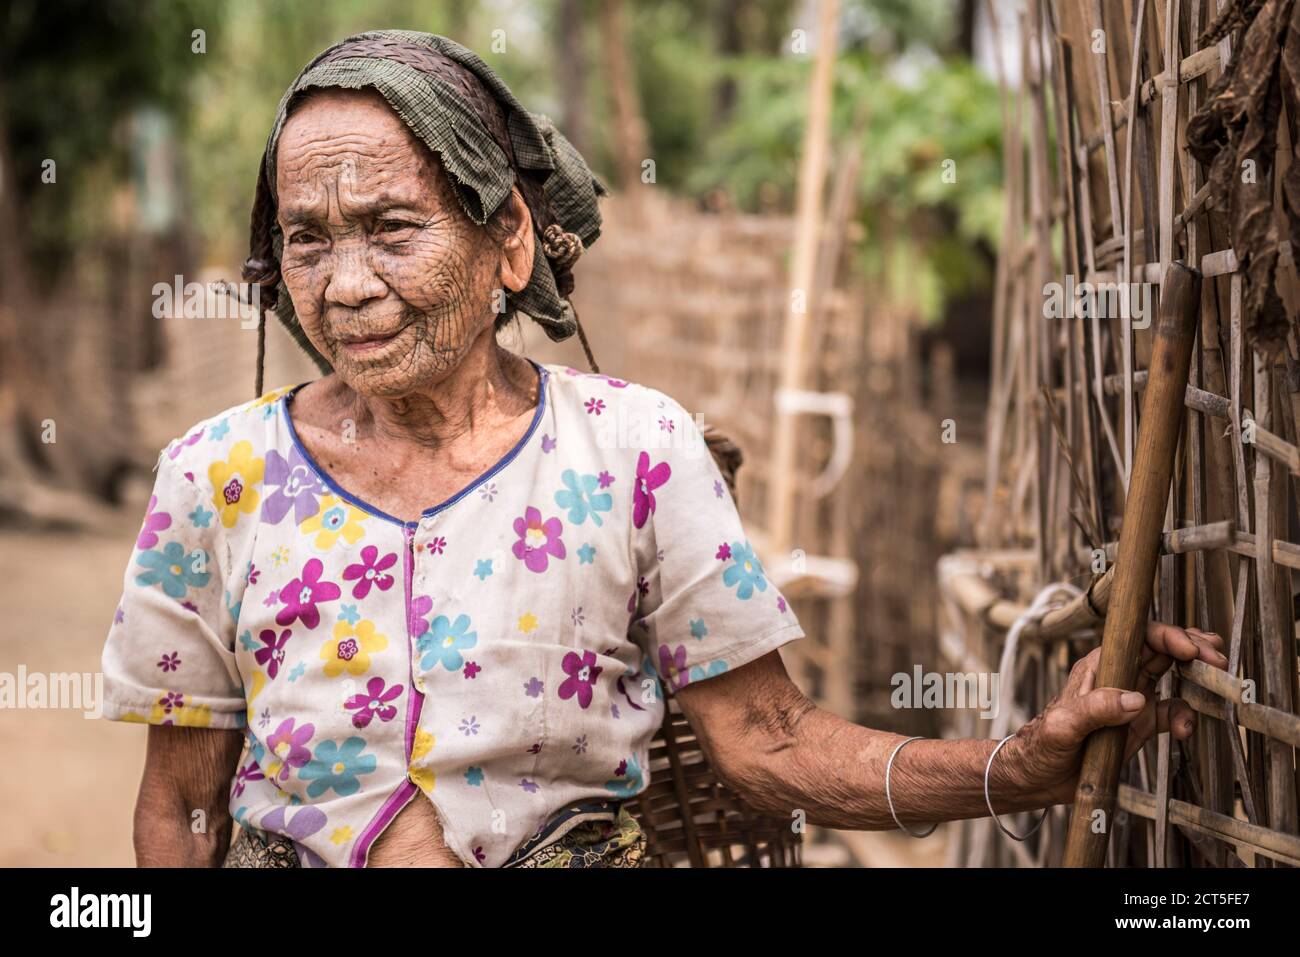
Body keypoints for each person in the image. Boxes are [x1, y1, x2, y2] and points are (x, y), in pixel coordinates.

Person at [102, 31, 1227, 868]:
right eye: (307, 241)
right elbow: (182, 807)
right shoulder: (218, 478)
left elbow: (772, 742)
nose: (342, 287)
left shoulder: (630, 449)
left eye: (391, 229)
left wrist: (1014, 764)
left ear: (507, 243)